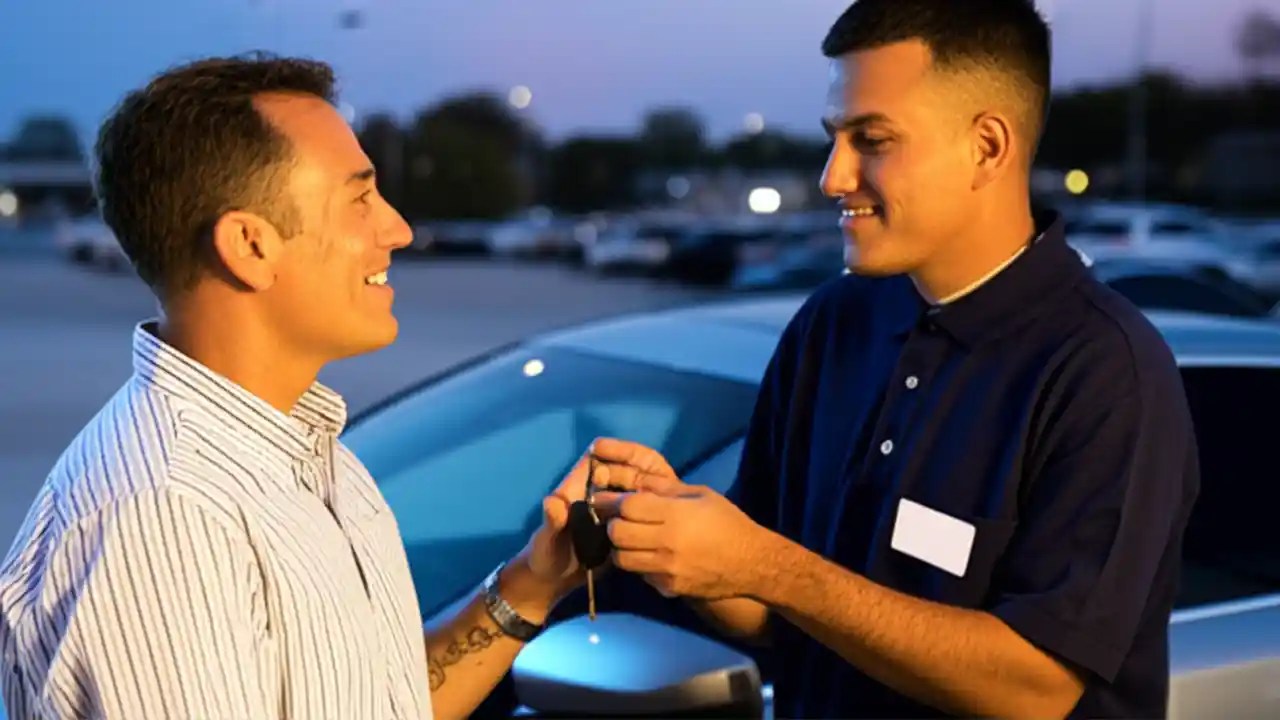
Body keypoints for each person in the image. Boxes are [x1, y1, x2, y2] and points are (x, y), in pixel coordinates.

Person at [589, 1, 1200, 717]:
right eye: (833, 138)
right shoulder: (834, 322)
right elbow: (767, 610)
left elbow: (1035, 687)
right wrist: (690, 547)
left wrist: (770, 566)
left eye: (871, 139)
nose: (832, 176)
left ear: (988, 147)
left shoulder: (1105, 371)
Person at [0, 53, 593, 720]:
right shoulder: (167, 515)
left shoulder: (304, 452)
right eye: (360, 198)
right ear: (251, 246)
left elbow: (376, 704)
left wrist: (533, 586)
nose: (396, 229)